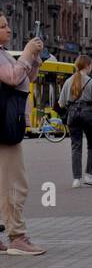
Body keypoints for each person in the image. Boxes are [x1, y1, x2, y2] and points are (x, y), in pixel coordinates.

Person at [0, 16, 46, 255]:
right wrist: (27, 53)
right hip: (4, 126)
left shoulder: (4, 54)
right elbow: (12, 78)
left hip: (7, 124)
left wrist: (34, 60)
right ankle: (17, 236)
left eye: (7, 24)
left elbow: (26, 79)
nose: (8, 29)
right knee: (14, 183)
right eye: (2, 26)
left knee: (4, 183)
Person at [58, 55, 92, 188]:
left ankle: (76, 179)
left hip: (73, 114)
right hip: (88, 114)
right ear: (88, 66)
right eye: (91, 65)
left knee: (76, 146)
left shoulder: (68, 81)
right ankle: (89, 175)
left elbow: (61, 103)